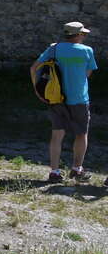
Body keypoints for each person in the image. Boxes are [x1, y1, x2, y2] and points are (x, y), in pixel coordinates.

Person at [30, 21, 97, 184]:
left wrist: (39, 91)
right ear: (79, 35)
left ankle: (54, 172)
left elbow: (34, 68)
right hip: (79, 99)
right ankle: (76, 169)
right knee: (81, 134)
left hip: (55, 97)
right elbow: (88, 73)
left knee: (57, 135)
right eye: (84, 34)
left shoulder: (54, 49)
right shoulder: (87, 51)